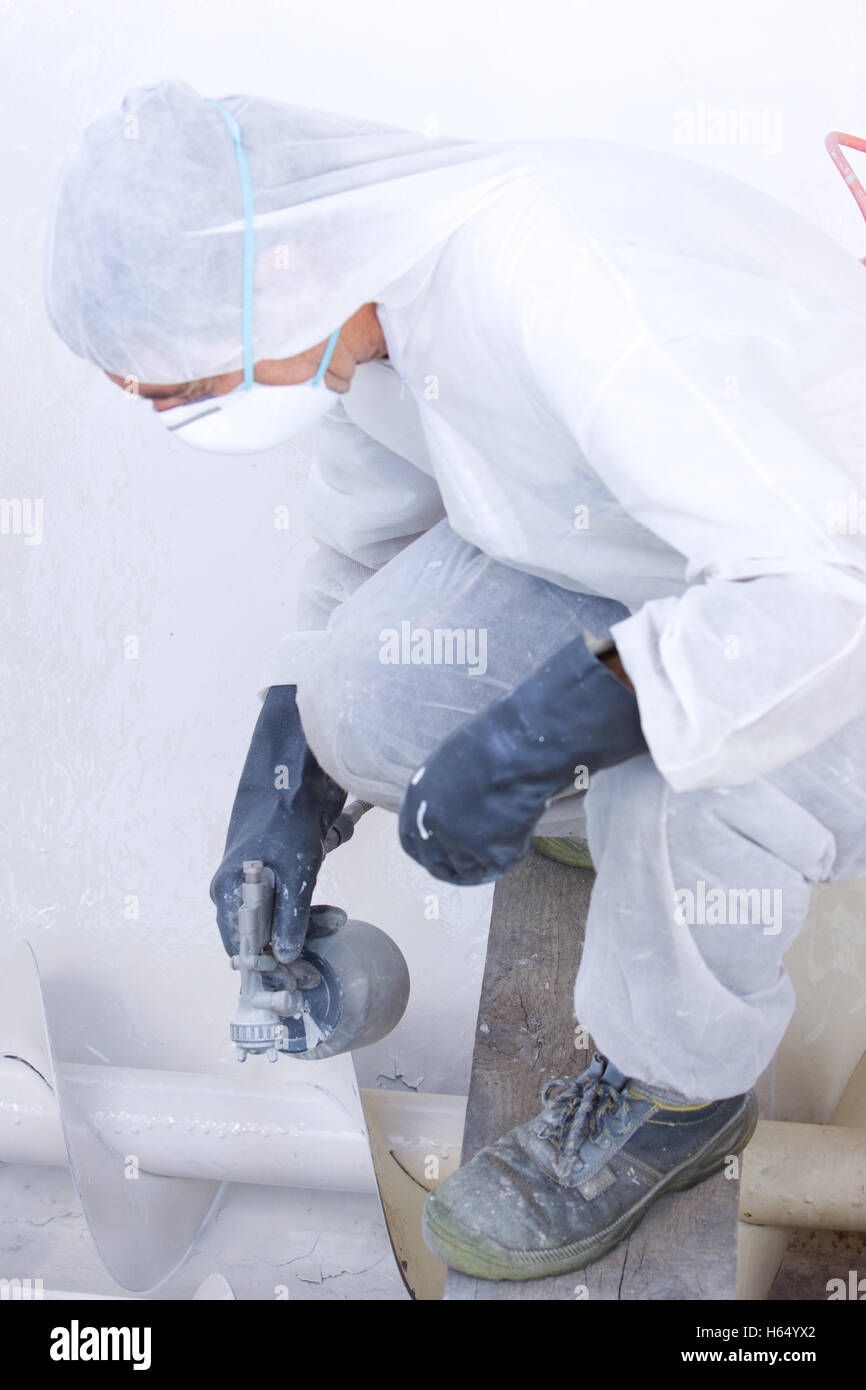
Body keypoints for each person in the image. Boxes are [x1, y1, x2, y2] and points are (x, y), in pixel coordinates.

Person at [44, 80, 866, 1283]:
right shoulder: (363, 308)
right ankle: (609, 800)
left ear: (267, 280)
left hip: (828, 621)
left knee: (680, 762)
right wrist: (286, 774)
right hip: (693, 566)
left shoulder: (566, 286)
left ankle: (678, 1091)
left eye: (184, 385)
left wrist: (560, 722)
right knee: (360, 701)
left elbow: (817, 594)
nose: (187, 414)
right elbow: (362, 552)